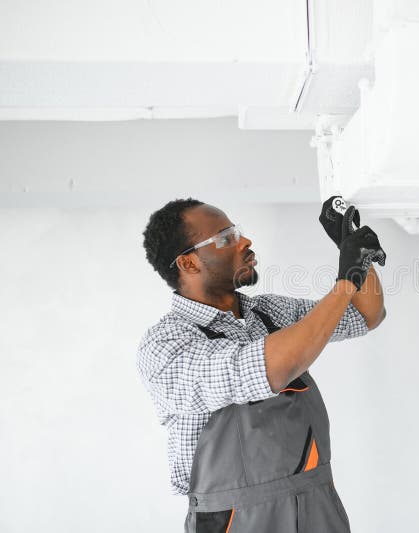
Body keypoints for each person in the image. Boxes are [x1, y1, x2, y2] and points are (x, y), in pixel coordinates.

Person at [136, 196, 386, 532]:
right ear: (188, 263)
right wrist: (345, 283)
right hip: (238, 518)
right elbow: (261, 369)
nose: (245, 241)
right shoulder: (166, 344)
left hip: (317, 502)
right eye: (226, 238)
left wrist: (351, 248)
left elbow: (365, 314)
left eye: (236, 232)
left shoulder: (268, 313)